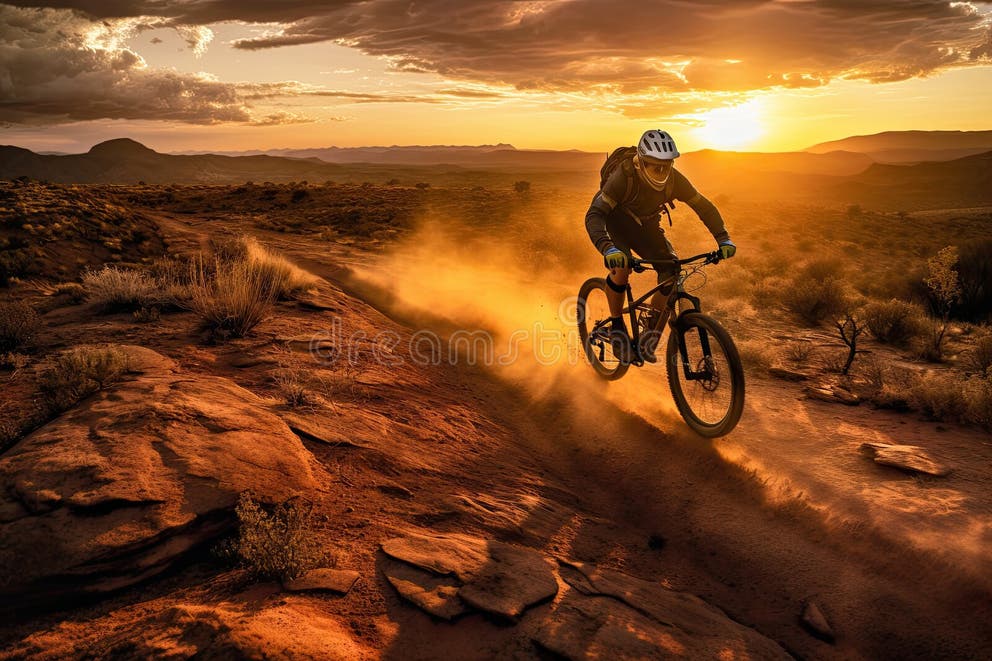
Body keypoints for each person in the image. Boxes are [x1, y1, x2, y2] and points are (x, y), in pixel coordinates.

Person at [585, 129, 736, 363]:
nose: (662, 171)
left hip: (647, 227)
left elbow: (703, 207)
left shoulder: (675, 179)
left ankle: (649, 332)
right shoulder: (623, 177)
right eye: (656, 166)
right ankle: (616, 327)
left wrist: (723, 238)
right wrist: (608, 248)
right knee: (622, 268)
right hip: (615, 224)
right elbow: (595, 214)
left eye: (667, 165)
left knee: (671, 271)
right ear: (641, 163)